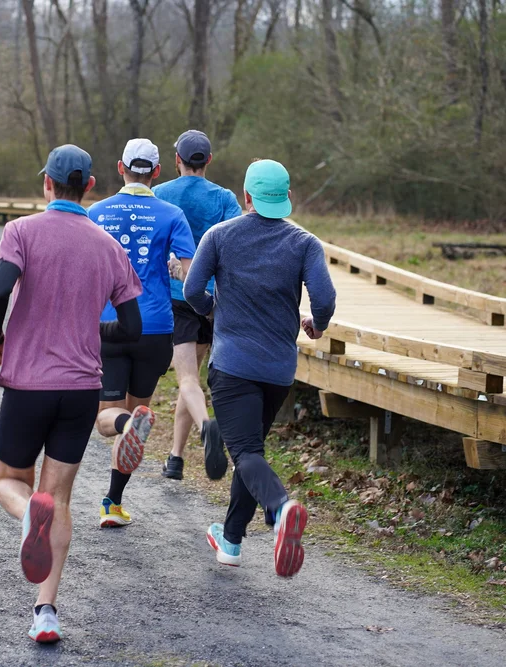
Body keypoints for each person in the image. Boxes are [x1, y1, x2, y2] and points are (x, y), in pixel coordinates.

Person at [0, 144, 143, 643]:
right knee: (62, 498)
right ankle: (46, 613)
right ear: (90, 188)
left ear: (47, 184)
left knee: (9, 482)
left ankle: (29, 511)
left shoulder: (21, 231)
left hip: (29, 384)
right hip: (81, 389)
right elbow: (133, 327)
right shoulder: (107, 245)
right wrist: (88, 335)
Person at [183, 159, 335, 577]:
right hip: (278, 370)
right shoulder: (305, 243)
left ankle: (281, 507)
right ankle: (230, 540)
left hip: (233, 365)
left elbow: (192, 289)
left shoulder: (219, 236)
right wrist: (316, 326)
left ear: (246, 196)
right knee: (252, 450)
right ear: (288, 198)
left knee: (246, 452)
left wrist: (213, 310)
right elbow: (324, 300)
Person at [86, 138, 196, 528]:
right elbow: (192, 273)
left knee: (110, 417)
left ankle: (123, 429)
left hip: (109, 326)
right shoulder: (172, 213)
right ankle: (112, 503)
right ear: (157, 172)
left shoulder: (96, 212)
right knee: (136, 413)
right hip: (155, 329)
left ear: (120, 168)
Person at [152, 130, 243, 482]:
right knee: (191, 381)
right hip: (210, 300)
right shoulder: (224, 198)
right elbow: (235, 241)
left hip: (177, 298)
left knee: (187, 379)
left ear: (176, 160)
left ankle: (207, 427)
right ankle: (175, 458)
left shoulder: (160, 194)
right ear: (208, 161)